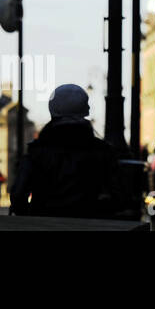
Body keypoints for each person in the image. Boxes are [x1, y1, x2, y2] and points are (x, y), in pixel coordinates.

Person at [10, 83, 126, 219]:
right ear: (85, 110)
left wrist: (35, 215)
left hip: (45, 224)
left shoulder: (37, 151)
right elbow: (119, 197)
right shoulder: (103, 151)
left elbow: (18, 197)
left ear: (52, 110)